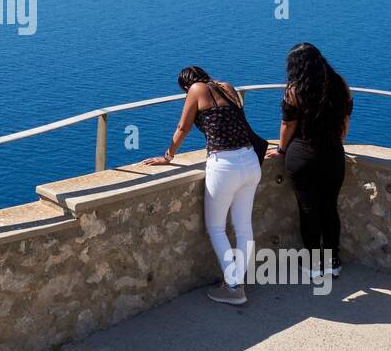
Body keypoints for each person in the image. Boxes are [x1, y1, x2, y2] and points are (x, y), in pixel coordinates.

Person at [145, 66, 262, 305]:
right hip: (249, 160)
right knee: (243, 227)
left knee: (216, 228)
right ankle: (237, 279)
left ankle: (233, 287)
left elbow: (183, 127)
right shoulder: (228, 87)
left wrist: (168, 156)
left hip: (225, 165)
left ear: (186, 86)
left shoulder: (196, 90)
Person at [268, 43, 353, 280]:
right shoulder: (340, 85)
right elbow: (345, 120)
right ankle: (333, 262)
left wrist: (281, 149)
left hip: (302, 156)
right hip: (333, 155)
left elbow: (288, 125)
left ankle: (313, 265)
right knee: (329, 207)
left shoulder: (294, 91)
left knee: (308, 210)